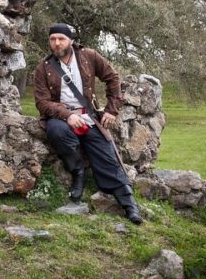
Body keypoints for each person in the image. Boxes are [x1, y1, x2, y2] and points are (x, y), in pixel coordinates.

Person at [34, 23, 142, 224]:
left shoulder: (89, 56)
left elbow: (113, 78)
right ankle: (78, 173)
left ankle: (129, 205)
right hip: (61, 120)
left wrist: (111, 110)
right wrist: (67, 115)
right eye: (53, 39)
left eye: (61, 39)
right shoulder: (43, 68)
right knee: (57, 132)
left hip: (89, 118)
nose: (56, 43)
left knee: (108, 157)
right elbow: (42, 102)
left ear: (71, 40)